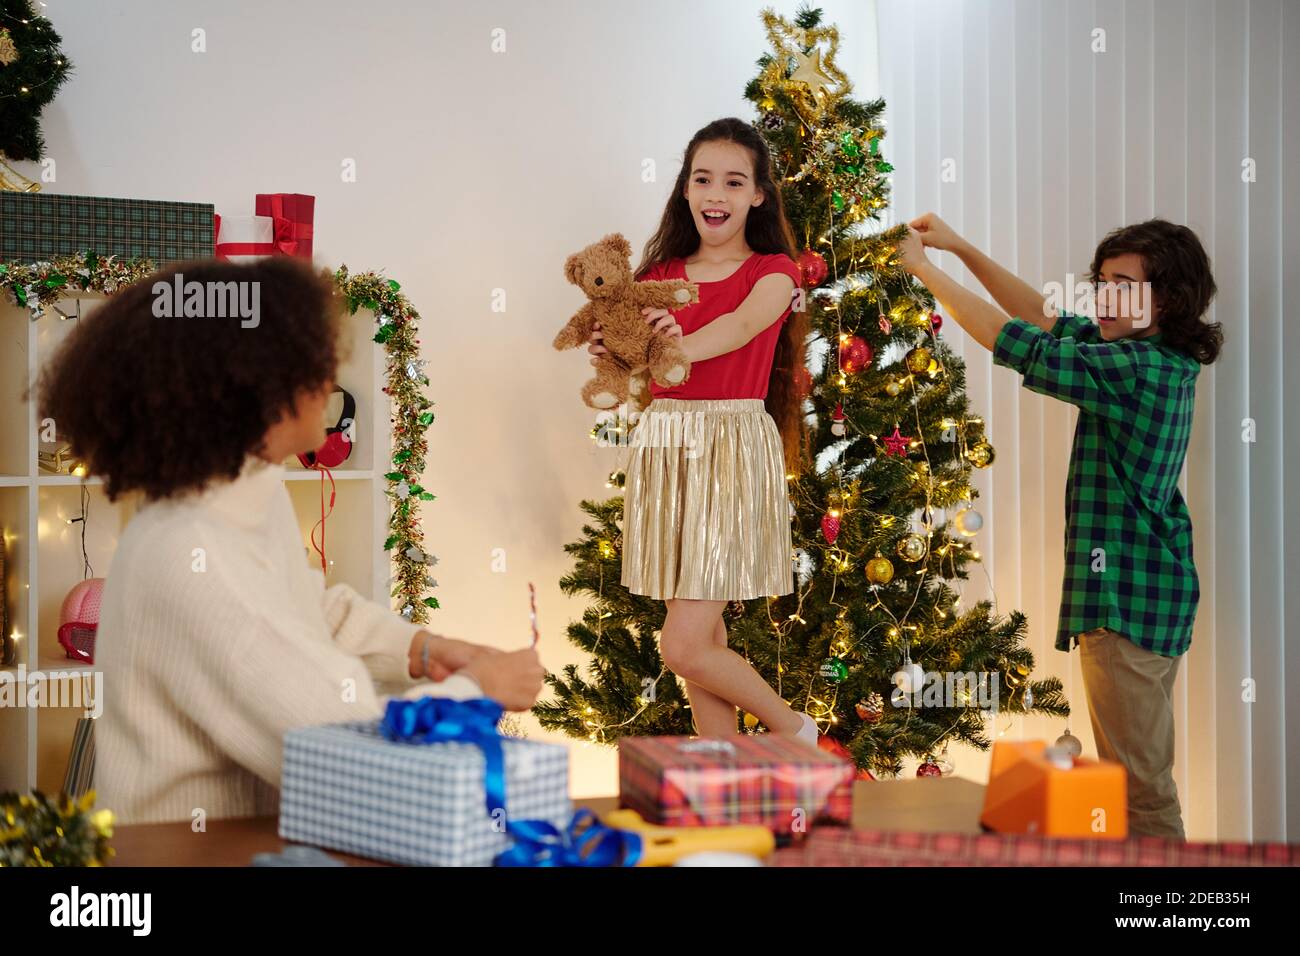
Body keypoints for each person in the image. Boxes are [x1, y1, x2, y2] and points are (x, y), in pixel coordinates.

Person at [34, 256, 544, 824]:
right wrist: (479, 690)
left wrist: (419, 650)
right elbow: (349, 757)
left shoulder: (243, 488)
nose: (329, 379)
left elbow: (301, 607)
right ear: (256, 388)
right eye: (313, 362)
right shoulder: (186, 554)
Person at [898, 213, 1223, 839]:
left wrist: (921, 269)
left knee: (1140, 791)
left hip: (1127, 599)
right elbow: (1046, 319)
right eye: (1101, 281)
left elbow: (1018, 342)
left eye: (1123, 284)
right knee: (1137, 780)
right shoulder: (1147, 355)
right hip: (1146, 595)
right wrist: (963, 248)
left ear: (1169, 299)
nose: (1105, 296)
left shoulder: (1138, 369)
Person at [587, 117, 817, 748]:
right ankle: (721, 764)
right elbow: (637, 357)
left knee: (682, 646)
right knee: (702, 638)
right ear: (686, 190)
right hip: (666, 445)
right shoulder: (658, 272)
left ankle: (794, 728)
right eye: (703, 179)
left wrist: (676, 343)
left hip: (730, 446)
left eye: (734, 182)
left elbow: (741, 328)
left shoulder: (773, 272)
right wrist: (615, 348)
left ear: (757, 196)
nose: (716, 194)